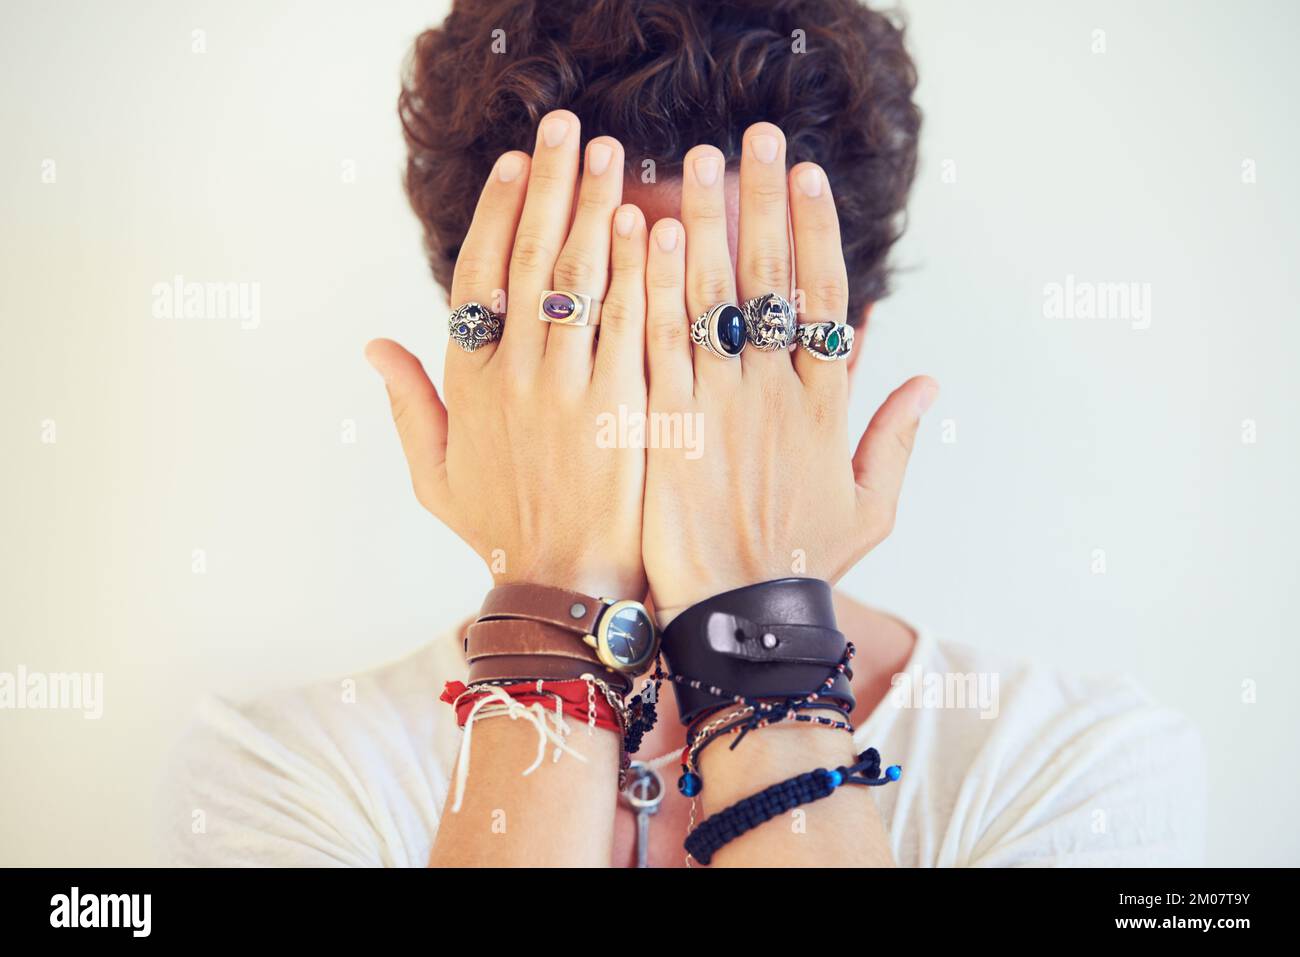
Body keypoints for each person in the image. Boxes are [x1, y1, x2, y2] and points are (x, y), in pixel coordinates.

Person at [156, 0, 1204, 867]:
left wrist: (762, 629)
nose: (655, 397)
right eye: (592, 322)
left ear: (847, 348)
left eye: (731, 332)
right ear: (479, 360)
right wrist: (559, 597)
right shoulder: (278, 770)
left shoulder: (1079, 767)